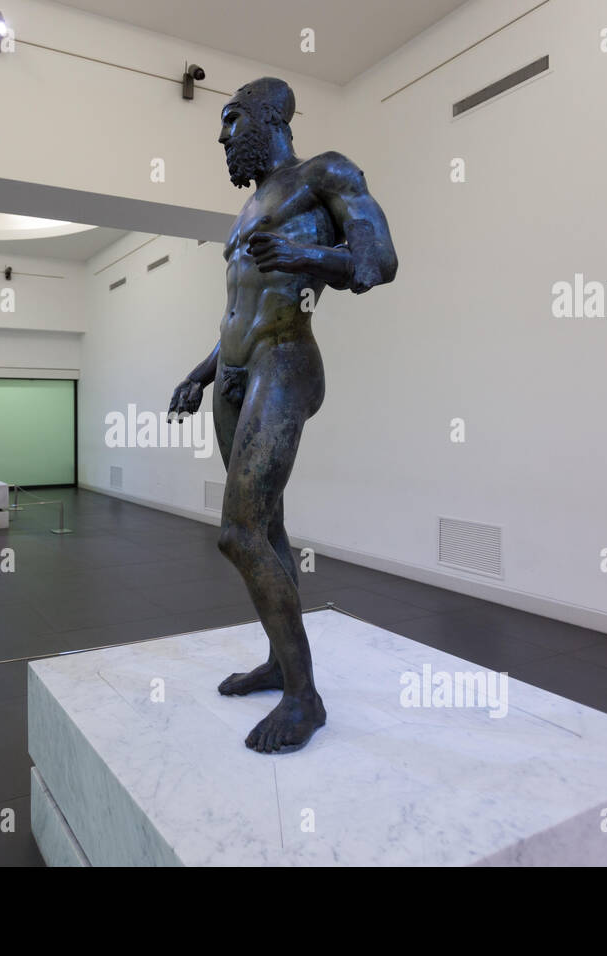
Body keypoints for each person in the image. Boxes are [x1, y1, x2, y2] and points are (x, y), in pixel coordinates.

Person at [167, 77, 397, 753]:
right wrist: (199, 372)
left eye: (232, 119)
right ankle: (279, 661)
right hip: (235, 376)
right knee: (268, 528)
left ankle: (305, 697)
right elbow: (238, 310)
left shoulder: (325, 173)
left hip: (286, 362)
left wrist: (305, 256)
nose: (222, 135)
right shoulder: (246, 211)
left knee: (238, 534)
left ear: (270, 118)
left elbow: (379, 262)